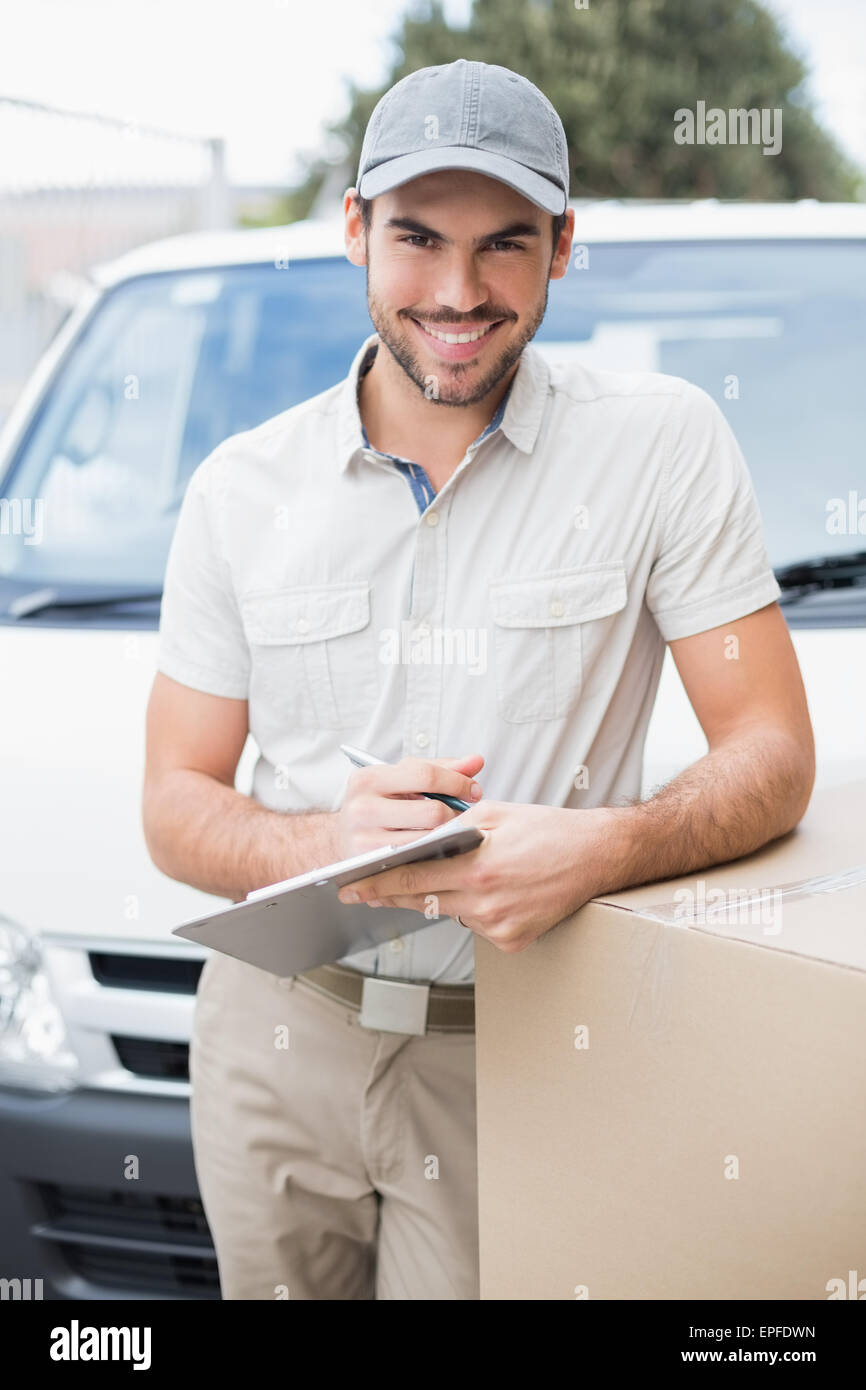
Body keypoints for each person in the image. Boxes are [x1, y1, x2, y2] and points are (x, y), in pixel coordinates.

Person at [142, 58, 815, 1300]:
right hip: (273, 1041)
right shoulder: (239, 487)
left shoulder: (662, 445)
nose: (457, 293)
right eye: (415, 238)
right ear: (353, 229)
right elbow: (175, 803)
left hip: (520, 1053)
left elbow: (771, 754)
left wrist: (602, 849)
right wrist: (319, 841)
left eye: (504, 243)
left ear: (563, 246)